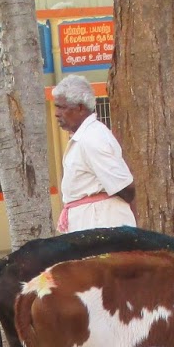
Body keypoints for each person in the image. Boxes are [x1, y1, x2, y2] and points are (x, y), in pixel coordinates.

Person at [51, 74, 137, 232]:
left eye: (62, 107)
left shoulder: (92, 138)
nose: (56, 113)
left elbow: (126, 189)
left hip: (101, 224)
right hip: (90, 224)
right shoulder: (85, 136)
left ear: (80, 108)